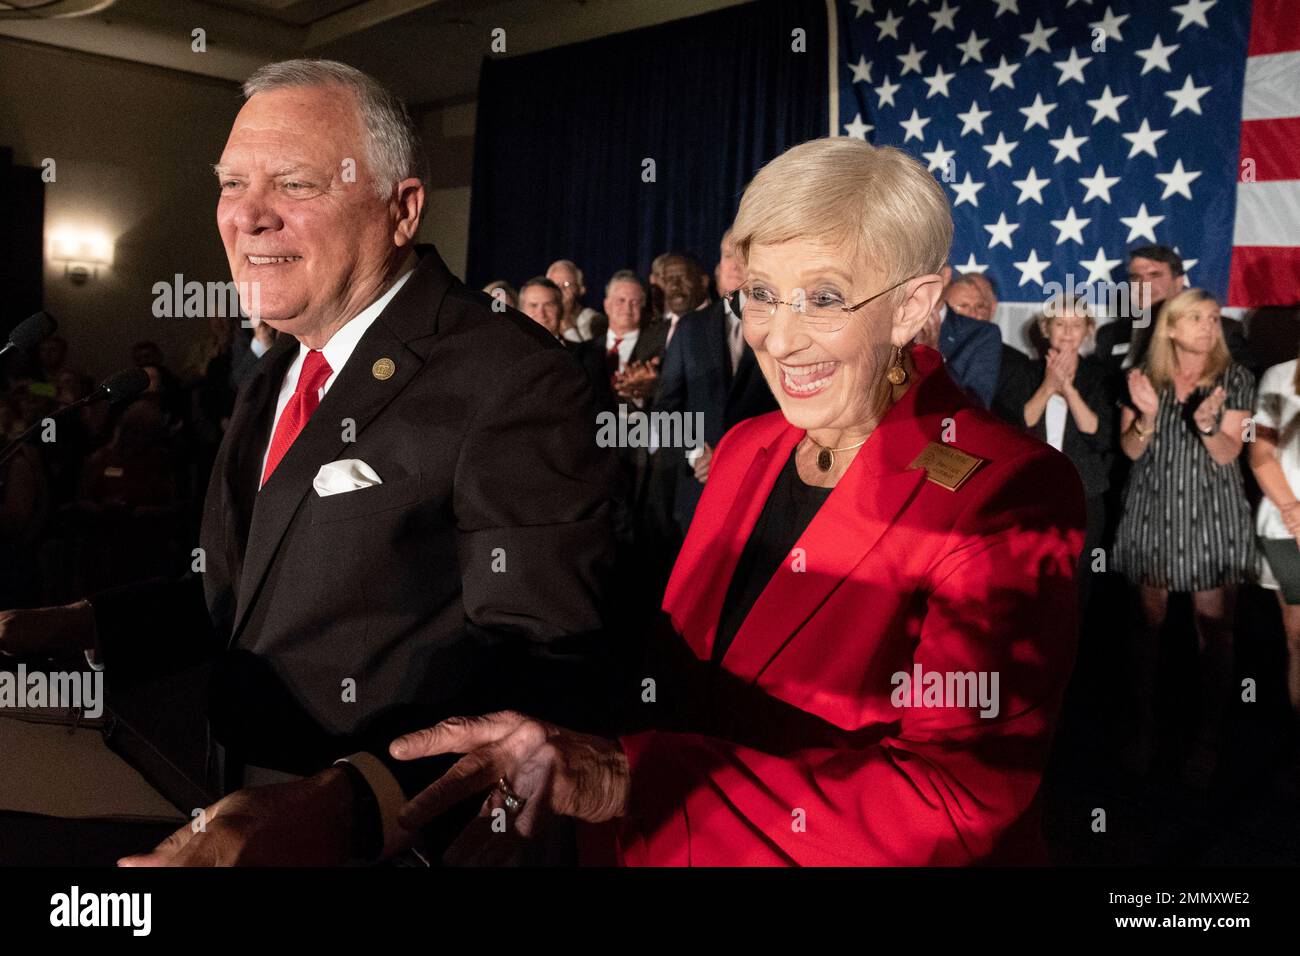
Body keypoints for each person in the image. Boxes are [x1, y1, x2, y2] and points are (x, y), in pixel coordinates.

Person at [386, 137, 1086, 866]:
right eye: (760, 293)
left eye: (824, 298)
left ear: (913, 306)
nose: (776, 339)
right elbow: (674, 676)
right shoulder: (750, 446)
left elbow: (953, 799)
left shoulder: (1006, 492)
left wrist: (628, 780)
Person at [0, 58, 617, 866]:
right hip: (220, 804)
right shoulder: (280, 368)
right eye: (231, 184)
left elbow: (545, 682)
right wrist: (73, 625)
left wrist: (350, 803)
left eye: (293, 184)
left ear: (401, 210)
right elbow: (245, 593)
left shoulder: (514, 378)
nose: (247, 217)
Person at [1113, 289, 1256, 784]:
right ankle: (1143, 729)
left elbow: (1228, 453)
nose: (1208, 325)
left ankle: (1210, 738)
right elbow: (1130, 451)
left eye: (1214, 318)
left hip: (1212, 514)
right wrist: (1149, 419)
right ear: (1169, 327)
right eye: (1196, 317)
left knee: (1214, 630)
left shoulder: (1236, 378)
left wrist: (1208, 426)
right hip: (1153, 511)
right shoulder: (1142, 377)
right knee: (1146, 628)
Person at [1013, 296, 1114, 609]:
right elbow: (1018, 424)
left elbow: (1098, 433)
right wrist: (1048, 386)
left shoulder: (1099, 376)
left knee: (1079, 580)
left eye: (1076, 325)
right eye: (1060, 324)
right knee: (1029, 580)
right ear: (1046, 329)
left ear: (1088, 331)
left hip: (1084, 493)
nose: (1068, 333)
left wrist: (1068, 390)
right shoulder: (1025, 372)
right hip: (1032, 493)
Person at [1248, 354, 1300, 724]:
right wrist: (1295, 512)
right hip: (1288, 526)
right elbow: (1260, 452)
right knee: (1298, 638)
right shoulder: (1278, 376)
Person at [547, 259, 606, 343]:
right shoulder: (542, 316)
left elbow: (585, 355)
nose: (560, 290)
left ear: (581, 289)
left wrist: (565, 320)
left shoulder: (595, 321)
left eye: (566, 284)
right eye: (554, 285)